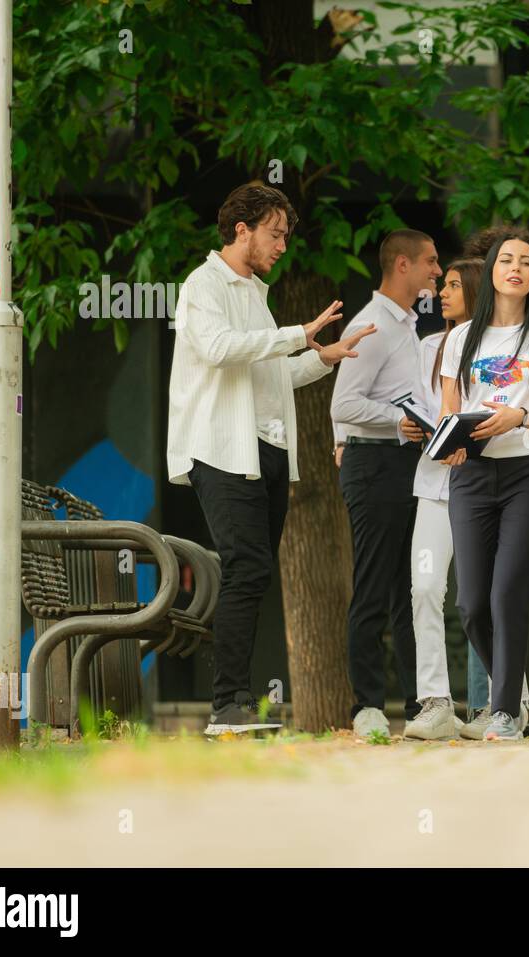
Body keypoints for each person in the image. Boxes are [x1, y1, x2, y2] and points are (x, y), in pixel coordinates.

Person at [168, 182, 373, 736]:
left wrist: (320, 357)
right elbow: (217, 349)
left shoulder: (255, 293)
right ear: (243, 229)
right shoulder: (201, 285)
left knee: (252, 573)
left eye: (286, 236)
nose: (283, 246)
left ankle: (234, 703)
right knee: (246, 566)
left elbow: (268, 372)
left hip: (268, 450)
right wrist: (296, 334)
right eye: (275, 234)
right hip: (221, 447)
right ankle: (226, 705)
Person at [440, 228, 529, 741]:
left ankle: (501, 711)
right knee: (471, 603)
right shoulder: (459, 339)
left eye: (527, 261)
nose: (516, 268)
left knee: (507, 593)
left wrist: (520, 416)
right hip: (471, 476)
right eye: (507, 260)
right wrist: (448, 441)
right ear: (492, 271)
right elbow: (448, 412)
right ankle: (509, 690)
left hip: (528, 475)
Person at [331, 230, 443, 737]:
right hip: (375, 465)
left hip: (404, 465)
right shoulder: (373, 324)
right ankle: (367, 708)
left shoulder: (406, 326)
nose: (437, 273)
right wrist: (398, 422)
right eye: (431, 263)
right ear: (403, 265)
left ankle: (420, 705)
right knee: (376, 586)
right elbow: (344, 405)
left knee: (408, 588)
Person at [397, 256, 492, 740]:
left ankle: (503, 703)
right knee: (426, 588)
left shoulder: (501, 345)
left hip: (489, 487)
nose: (442, 293)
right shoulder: (428, 345)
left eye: (453, 285)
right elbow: (411, 407)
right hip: (434, 486)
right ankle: (435, 703)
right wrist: (409, 426)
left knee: (486, 597)